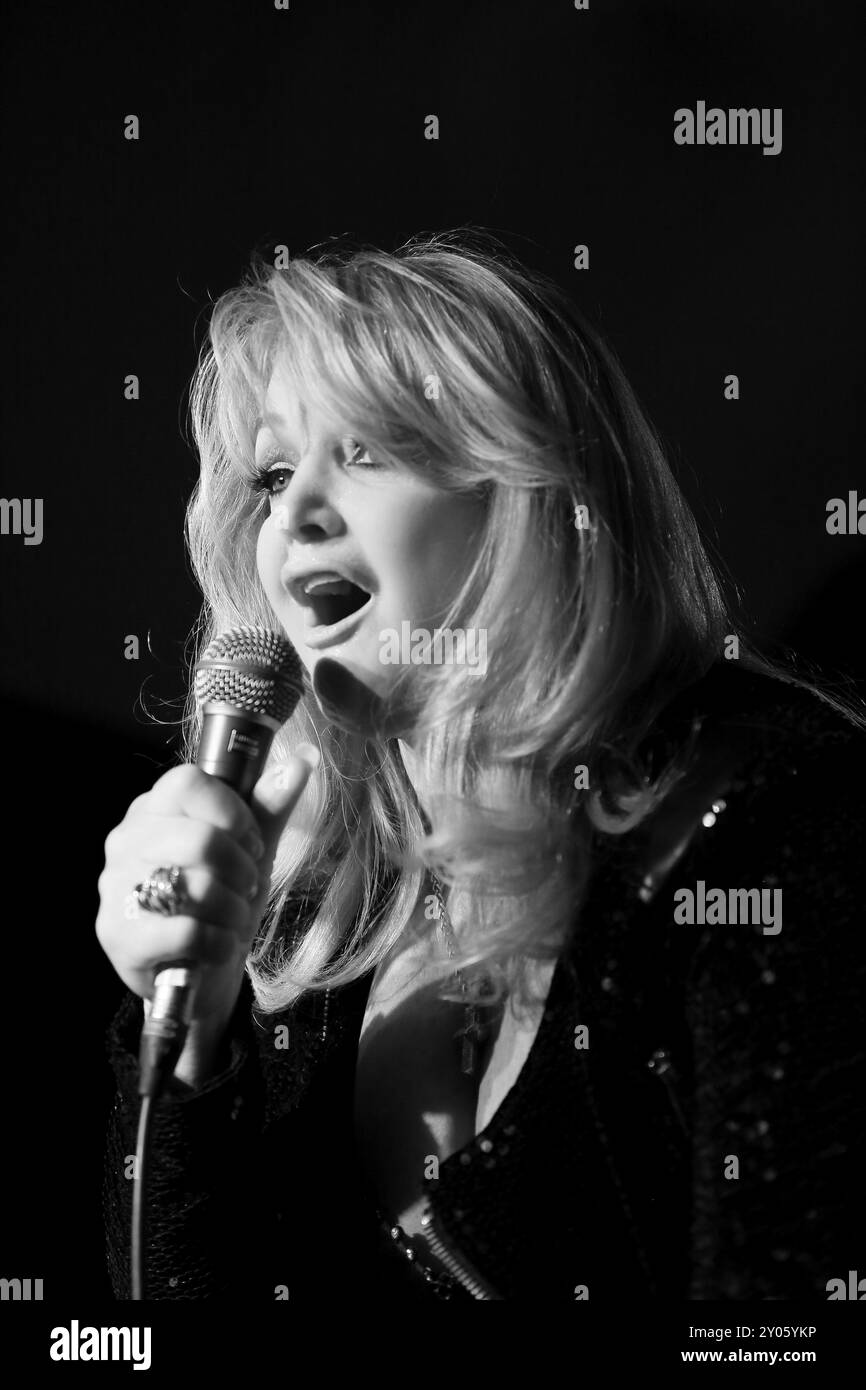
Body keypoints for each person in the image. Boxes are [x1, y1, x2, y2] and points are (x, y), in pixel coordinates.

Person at [97, 229, 866, 1301]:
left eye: (366, 449)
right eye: (272, 473)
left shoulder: (758, 817)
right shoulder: (314, 916)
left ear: (526, 491)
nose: (292, 515)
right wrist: (190, 1041)